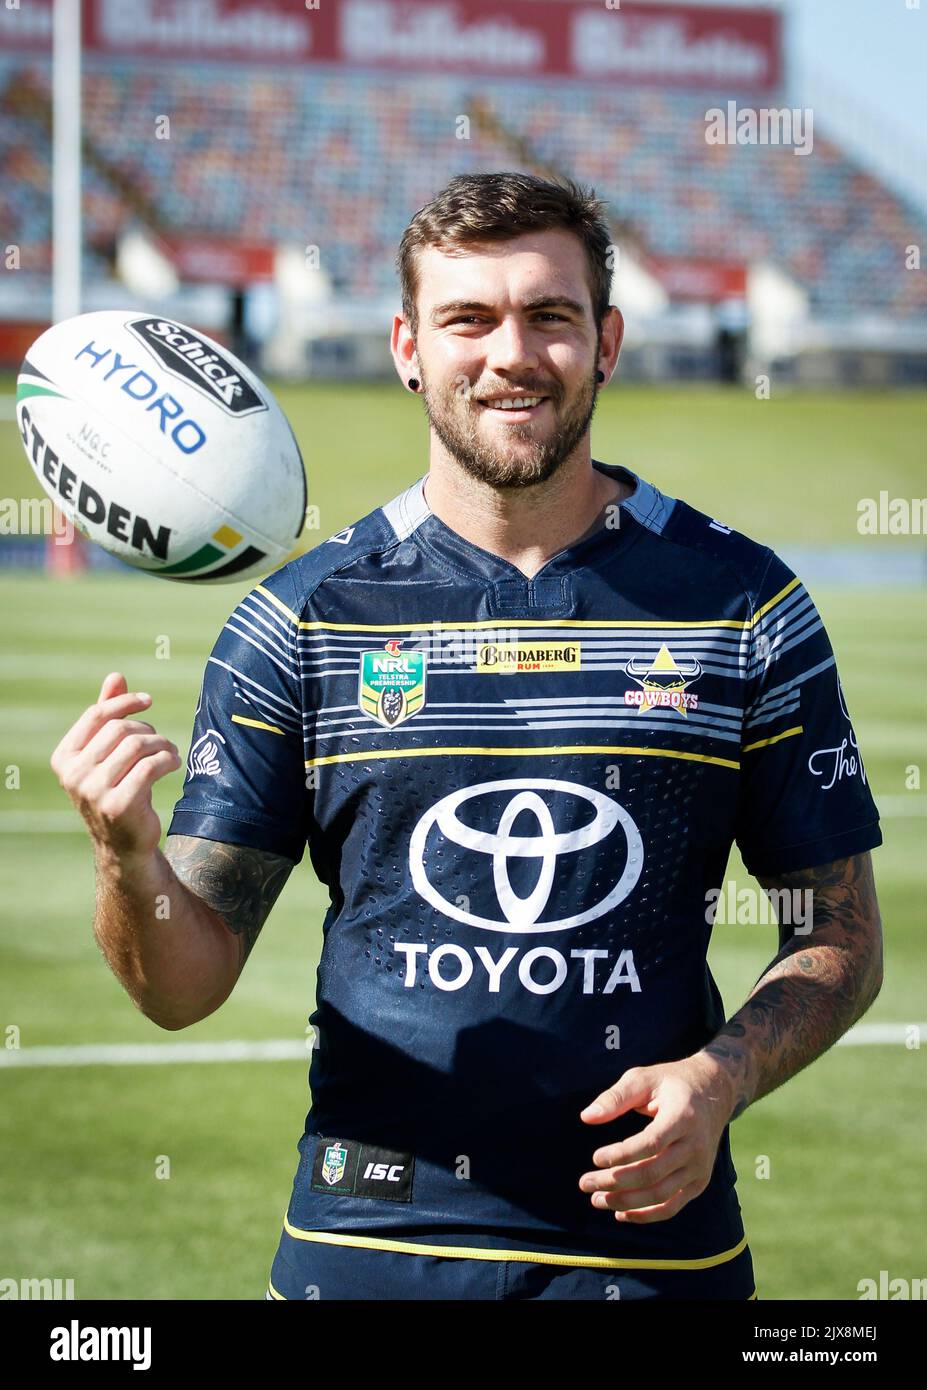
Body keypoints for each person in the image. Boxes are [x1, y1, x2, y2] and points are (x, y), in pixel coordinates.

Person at [51, 172, 883, 1302]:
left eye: (551, 315)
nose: (512, 354)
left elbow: (840, 934)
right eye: (468, 319)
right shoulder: (303, 617)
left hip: (649, 1252)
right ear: (407, 345)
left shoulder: (741, 602)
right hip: (369, 1236)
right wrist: (126, 855)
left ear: (609, 341)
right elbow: (180, 987)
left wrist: (722, 1077)